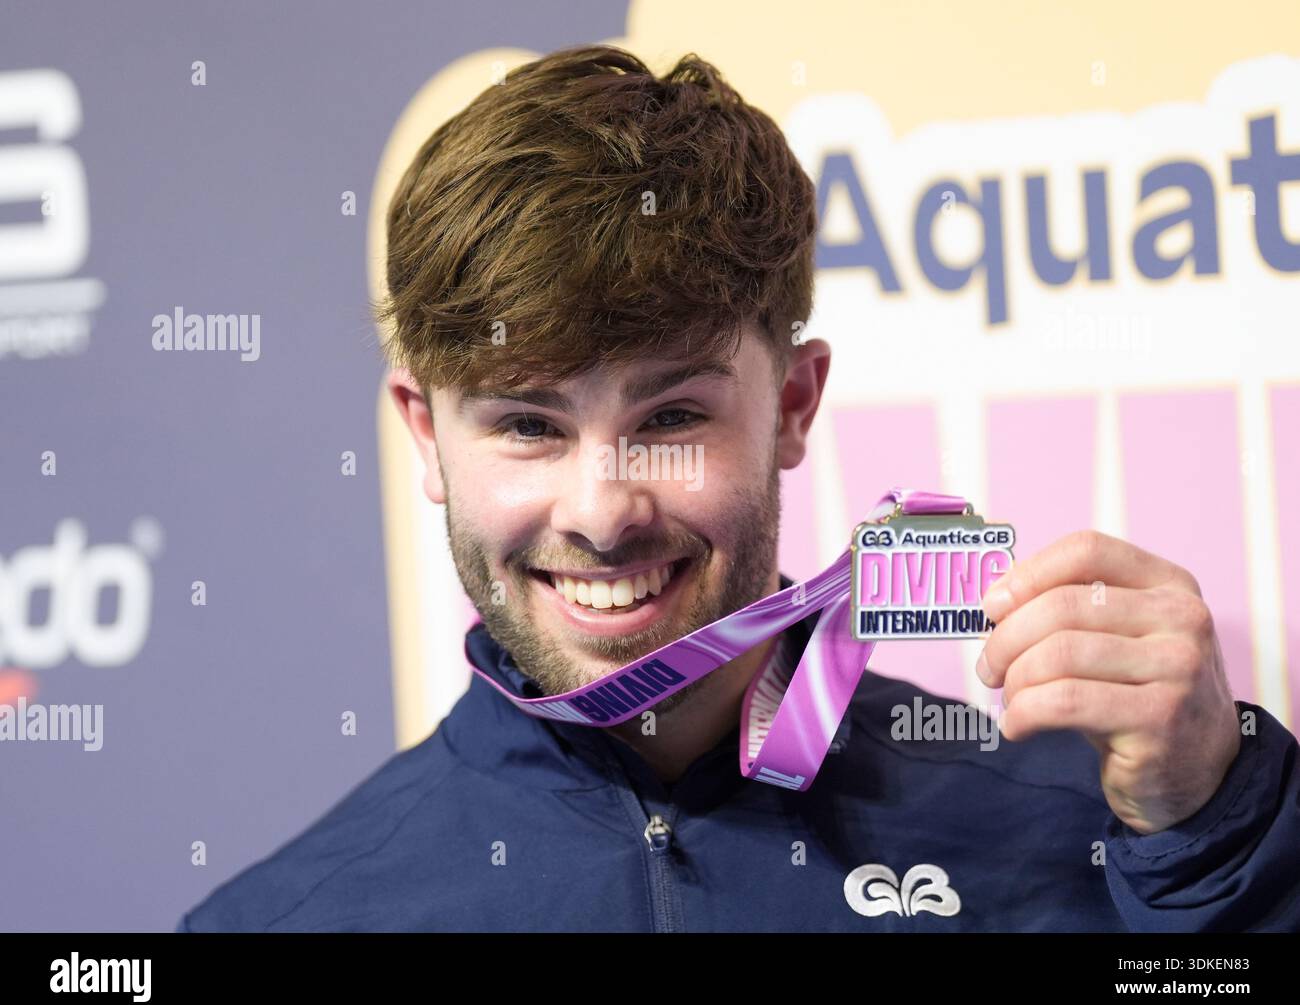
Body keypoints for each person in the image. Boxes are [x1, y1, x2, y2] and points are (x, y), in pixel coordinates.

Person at [178, 43, 1300, 932]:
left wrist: (1215, 830)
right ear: (425, 434)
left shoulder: (1089, 833)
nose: (603, 511)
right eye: (527, 424)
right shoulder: (282, 920)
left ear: (795, 406)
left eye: (671, 416)